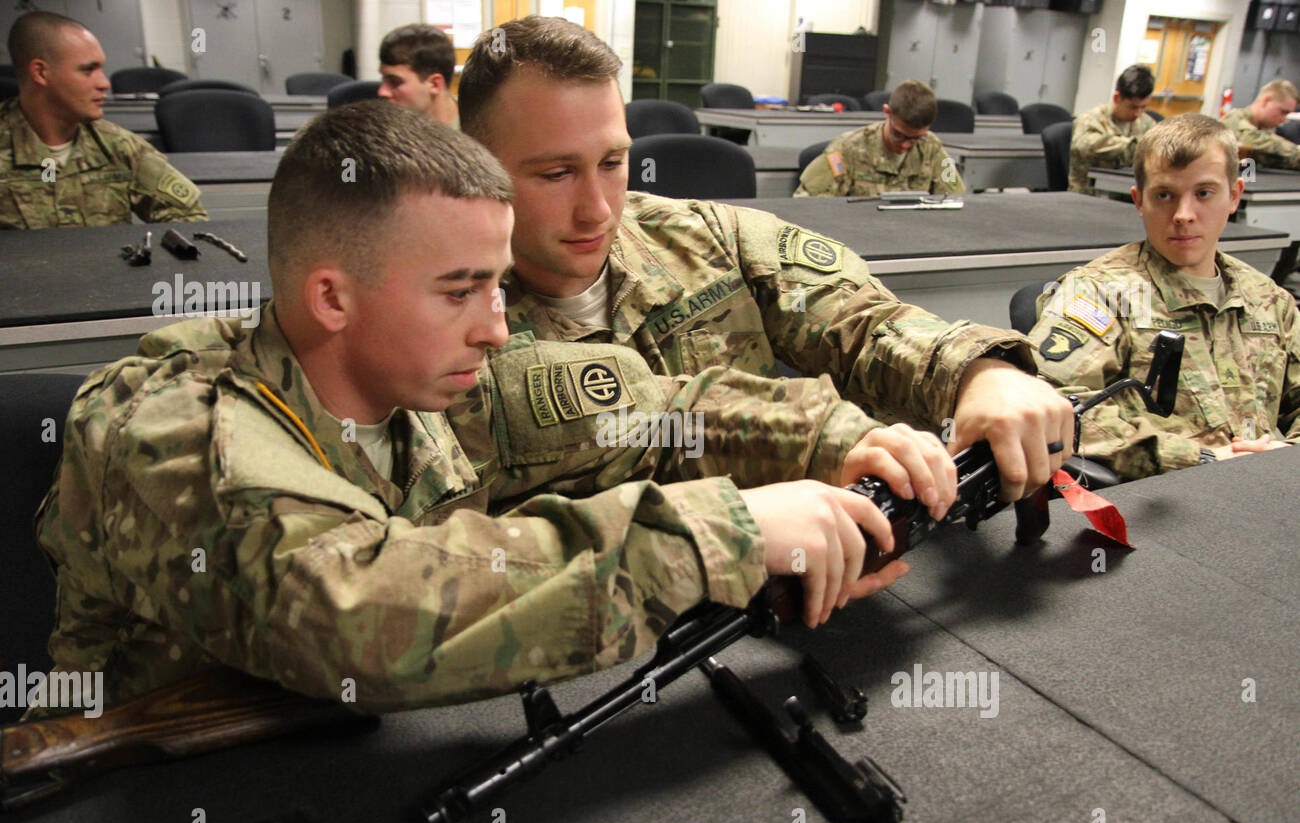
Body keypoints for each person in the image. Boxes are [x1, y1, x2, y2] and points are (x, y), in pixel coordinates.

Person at [35, 100, 965, 716]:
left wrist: (841, 440)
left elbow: (644, 407)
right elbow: (353, 609)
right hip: (144, 786)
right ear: (332, 299)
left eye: (497, 285)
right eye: (460, 290)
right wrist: (717, 533)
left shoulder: (414, 377)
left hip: (357, 758)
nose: (495, 327)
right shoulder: (169, 430)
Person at [459, 17, 1075, 502]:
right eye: (557, 173)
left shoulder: (703, 239)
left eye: (613, 163)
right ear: (478, 165)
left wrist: (978, 375)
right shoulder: (443, 321)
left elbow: (858, 321)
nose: (597, 209)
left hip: (802, 587)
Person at [1029, 114, 1299, 481]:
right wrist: (1199, 458)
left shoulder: (1269, 299)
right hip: (1164, 501)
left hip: (1262, 493)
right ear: (1139, 201)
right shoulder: (1101, 293)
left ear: (1234, 195)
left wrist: (1284, 456)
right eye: (1165, 196)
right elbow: (1055, 404)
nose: (1184, 215)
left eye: (1204, 193)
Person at [0, 10, 205, 229]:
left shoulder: (117, 146)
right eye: (88, 70)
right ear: (41, 73)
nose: (104, 83)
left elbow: (190, 220)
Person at [794, 80, 963, 198]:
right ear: (887, 112)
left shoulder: (931, 148)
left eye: (915, 139)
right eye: (899, 134)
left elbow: (955, 199)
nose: (905, 145)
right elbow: (808, 204)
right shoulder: (847, 149)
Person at [1069, 63, 1156, 196]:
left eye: (1143, 107)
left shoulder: (1146, 122)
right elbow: (1083, 147)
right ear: (1117, 98)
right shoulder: (1091, 120)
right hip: (1089, 196)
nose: (1138, 113)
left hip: (1127, 195)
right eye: (1133, 107)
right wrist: (1133, 146)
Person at [376, 23, 459, 129]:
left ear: (435, 84)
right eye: (383, 80)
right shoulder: (382, 131)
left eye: (395, 82)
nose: (382, 91)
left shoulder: (476, 130)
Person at [1221, 79, 1300, 171]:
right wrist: (1296, 151)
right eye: (1283, 112)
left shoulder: (1260, 129)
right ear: (1266, 101)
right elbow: (1250, 138)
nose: (1283, 119)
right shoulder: (1235, 119)